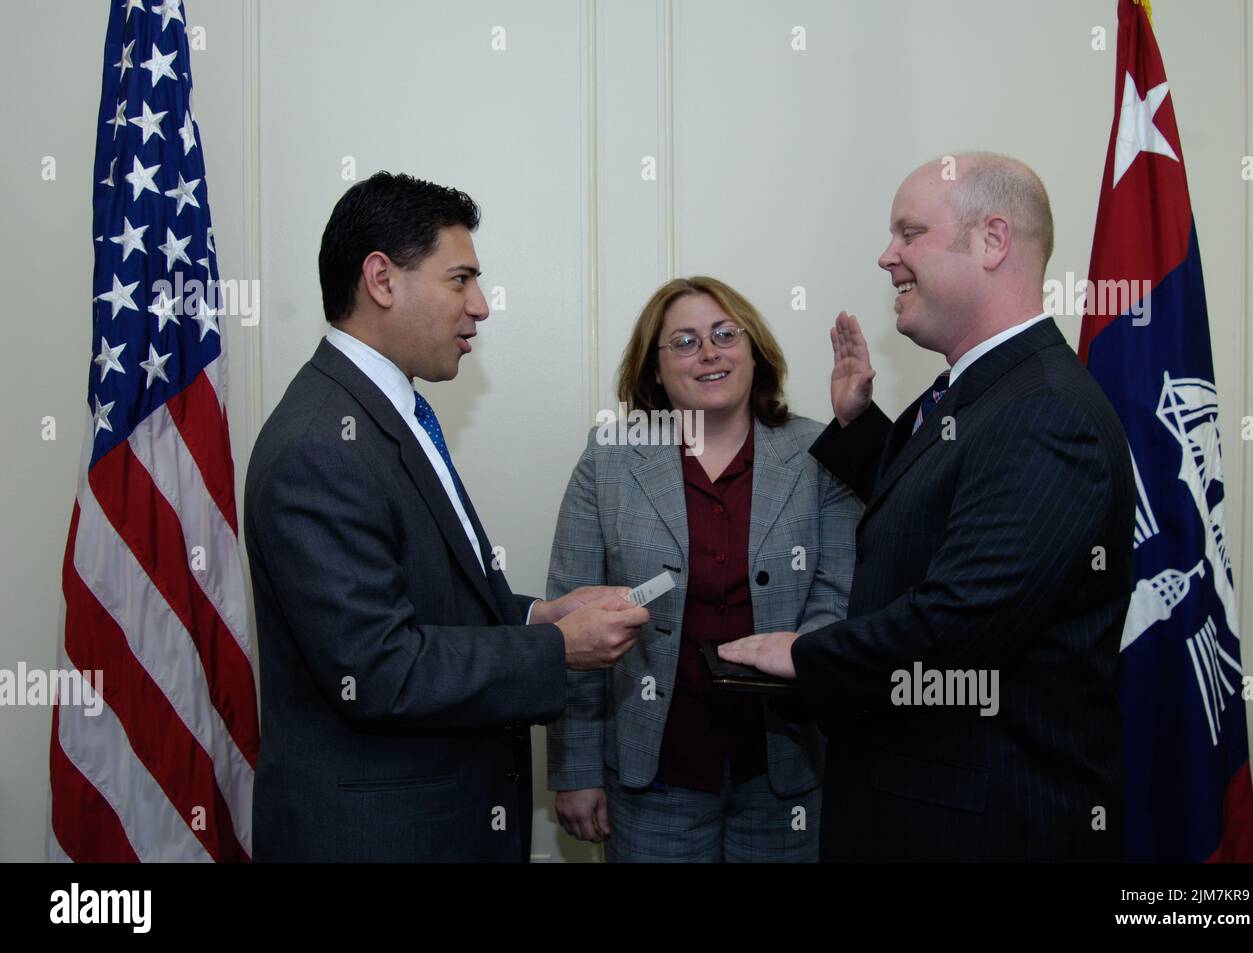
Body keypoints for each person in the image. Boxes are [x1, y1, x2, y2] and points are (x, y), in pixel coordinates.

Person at [721, 153, 1136, 862]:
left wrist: (806, 654)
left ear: (992, 240)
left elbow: (961, 618)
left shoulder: (1045, 410)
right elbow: (943, 510)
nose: (887, 257)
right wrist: (859, 429)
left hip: (983, 828)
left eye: (909, 233)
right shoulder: (984, 391)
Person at [245, 172, 648, 862]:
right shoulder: (322, 444)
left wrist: (537, 617)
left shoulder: (381, 414)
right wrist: (557, 649)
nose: (481, 307)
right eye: (460, 280)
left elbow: (426, 604)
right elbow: (380, 669)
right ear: (381, 279)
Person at [546, 276, 861, 862]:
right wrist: (576, 768)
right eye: (685, 342)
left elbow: (840, 590)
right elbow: (572, 622)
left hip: (786, 765)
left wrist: (804, 652)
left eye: (725, 334)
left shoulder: (819, 451)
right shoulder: (608, 459)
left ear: (754, 351)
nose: (710, 352)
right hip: (655, 775)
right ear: (655, 370)